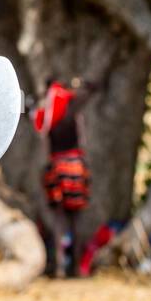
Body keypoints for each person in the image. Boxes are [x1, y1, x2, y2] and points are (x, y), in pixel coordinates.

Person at [31, 76, 101, 278]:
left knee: (60, 220)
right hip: (75, 167)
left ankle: (61, 265)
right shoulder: (71, 108)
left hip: (57, 168)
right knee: (74, 219)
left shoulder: (45, 114)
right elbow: (91, 90)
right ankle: (75, 266)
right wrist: (85, 84)